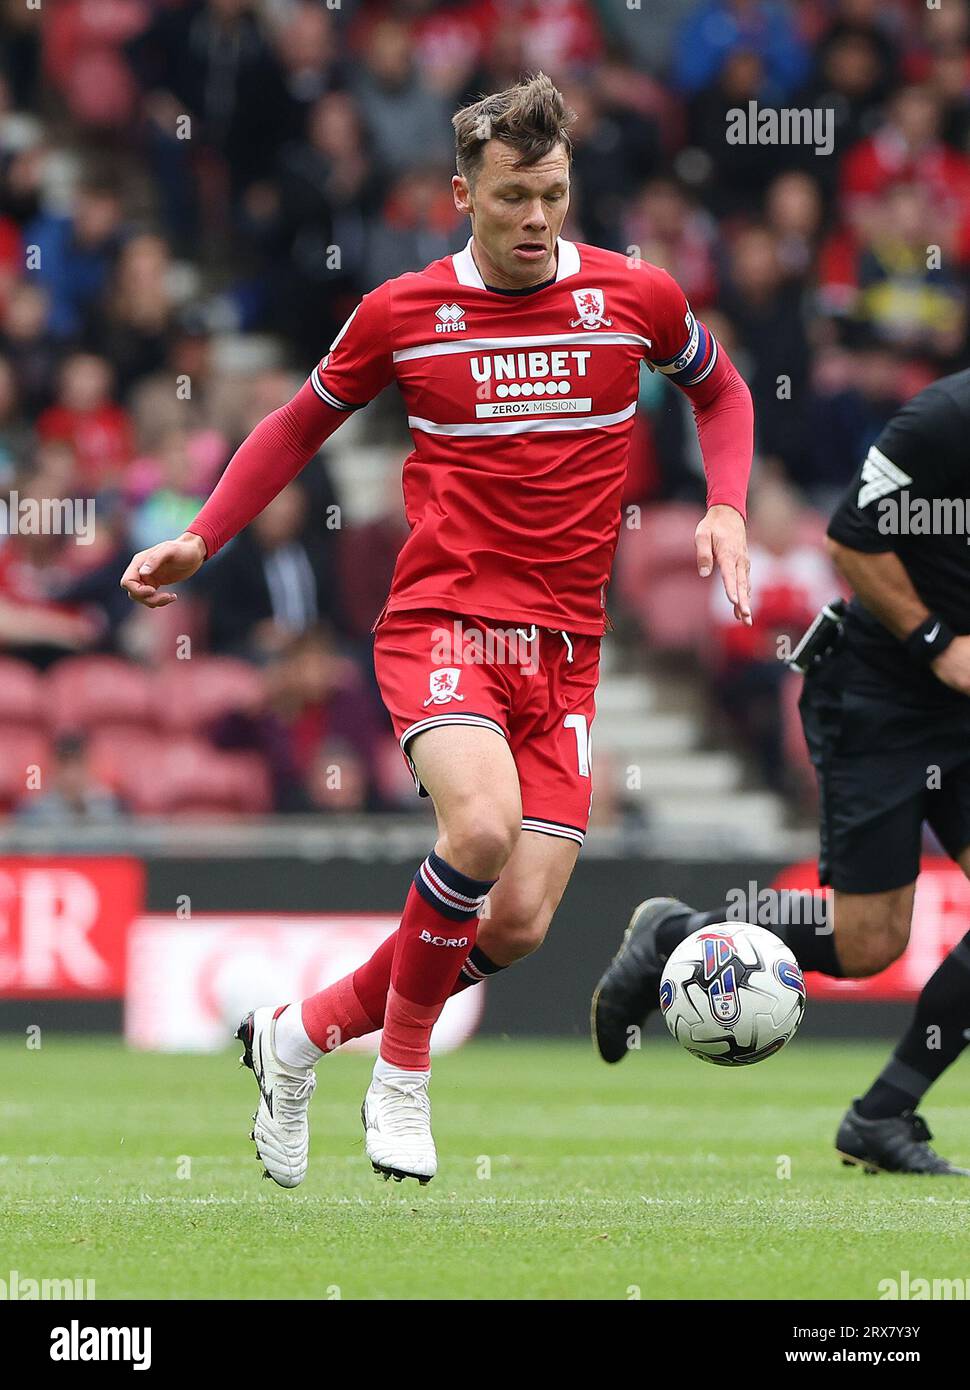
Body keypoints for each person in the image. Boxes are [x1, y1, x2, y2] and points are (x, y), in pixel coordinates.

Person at [121, 74, 754, 1188]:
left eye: (551, 194)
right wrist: (203, 538)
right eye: (511, 196)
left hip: (565, 656)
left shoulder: (635, 298)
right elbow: (296, 421)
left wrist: (725, 501)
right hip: (447, 621)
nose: (535, 219)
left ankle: (295, 1037)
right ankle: (401, 1074)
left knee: (512, 925)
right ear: (460, 194)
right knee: (479, 830)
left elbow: (724, 393)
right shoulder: (404, 314)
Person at [593, 367, 970, 1177]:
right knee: (872, 942)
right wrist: (940, 643)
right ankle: (679, 936)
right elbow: (851, 540)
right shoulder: (944, 419)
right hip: (881, 696)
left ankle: (883, 1114)